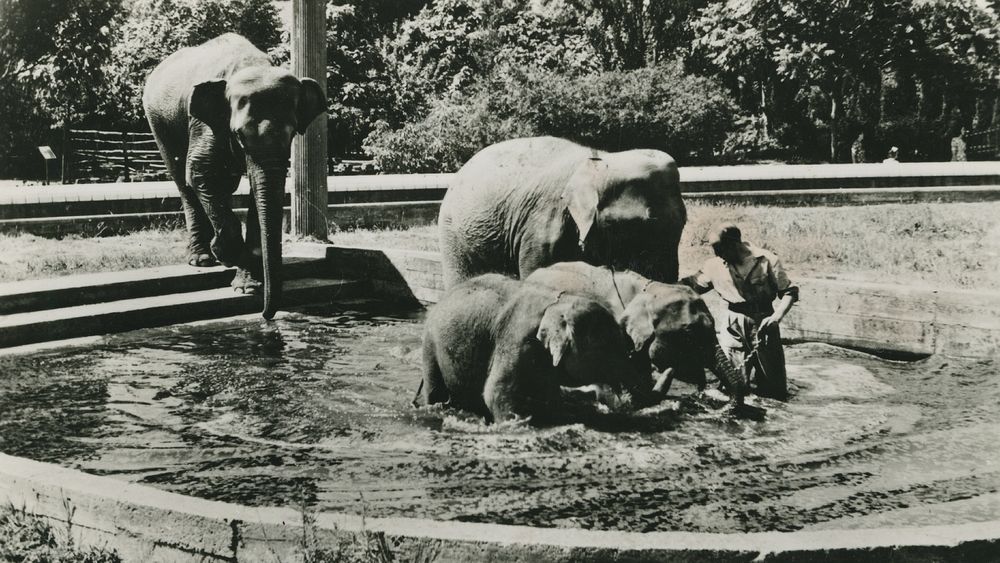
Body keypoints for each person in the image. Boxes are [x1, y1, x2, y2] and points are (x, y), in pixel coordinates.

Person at [681, 223, 798, 400]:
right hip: (733, 324)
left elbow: (789, 292)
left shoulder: (767, 260)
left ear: (734, 244)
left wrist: (777, 317)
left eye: (719, 249)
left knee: (775, 389)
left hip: (764, 322)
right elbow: (690, 286)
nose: (717, 254)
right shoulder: (713, 265)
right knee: (733, 383)